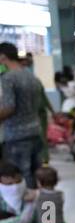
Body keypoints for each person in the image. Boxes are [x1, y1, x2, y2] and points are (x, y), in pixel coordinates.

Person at [0, 41, 47, 187]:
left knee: (17, 179)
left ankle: (23, 209)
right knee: (35, 177)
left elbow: (9, 108)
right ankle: (42, 209)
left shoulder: (8, 78)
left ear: (3, 57)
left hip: (16, 136)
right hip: (35, 132)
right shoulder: (31, 77)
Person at [0, 158, 35, 223]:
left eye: (18, 182)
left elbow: (25, 221)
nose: (15, 187)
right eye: (9, 184)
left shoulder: (31, 195)